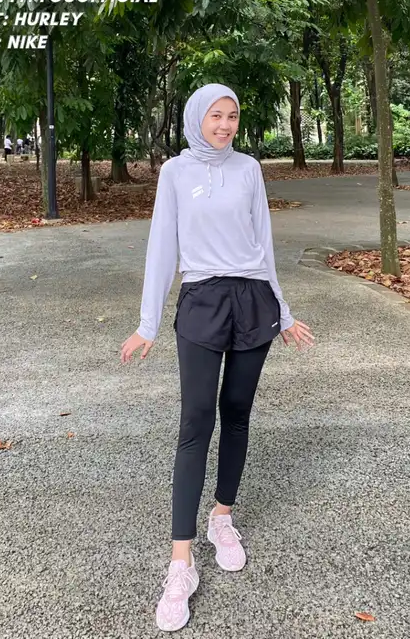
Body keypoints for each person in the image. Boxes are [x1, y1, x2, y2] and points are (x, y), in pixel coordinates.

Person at [120, 83, 315, 632]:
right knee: (195, 421)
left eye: (232, 115)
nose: (225, 125)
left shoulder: (249, 169)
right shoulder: (175, 173)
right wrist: (148, 323)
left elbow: (263, 245)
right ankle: (180, 564)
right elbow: (162, 247)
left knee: (237, 414)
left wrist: (284, 311)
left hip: (253, 300)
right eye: (216, 116)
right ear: (196, 119)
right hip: (202, 299)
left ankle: (222, 517)